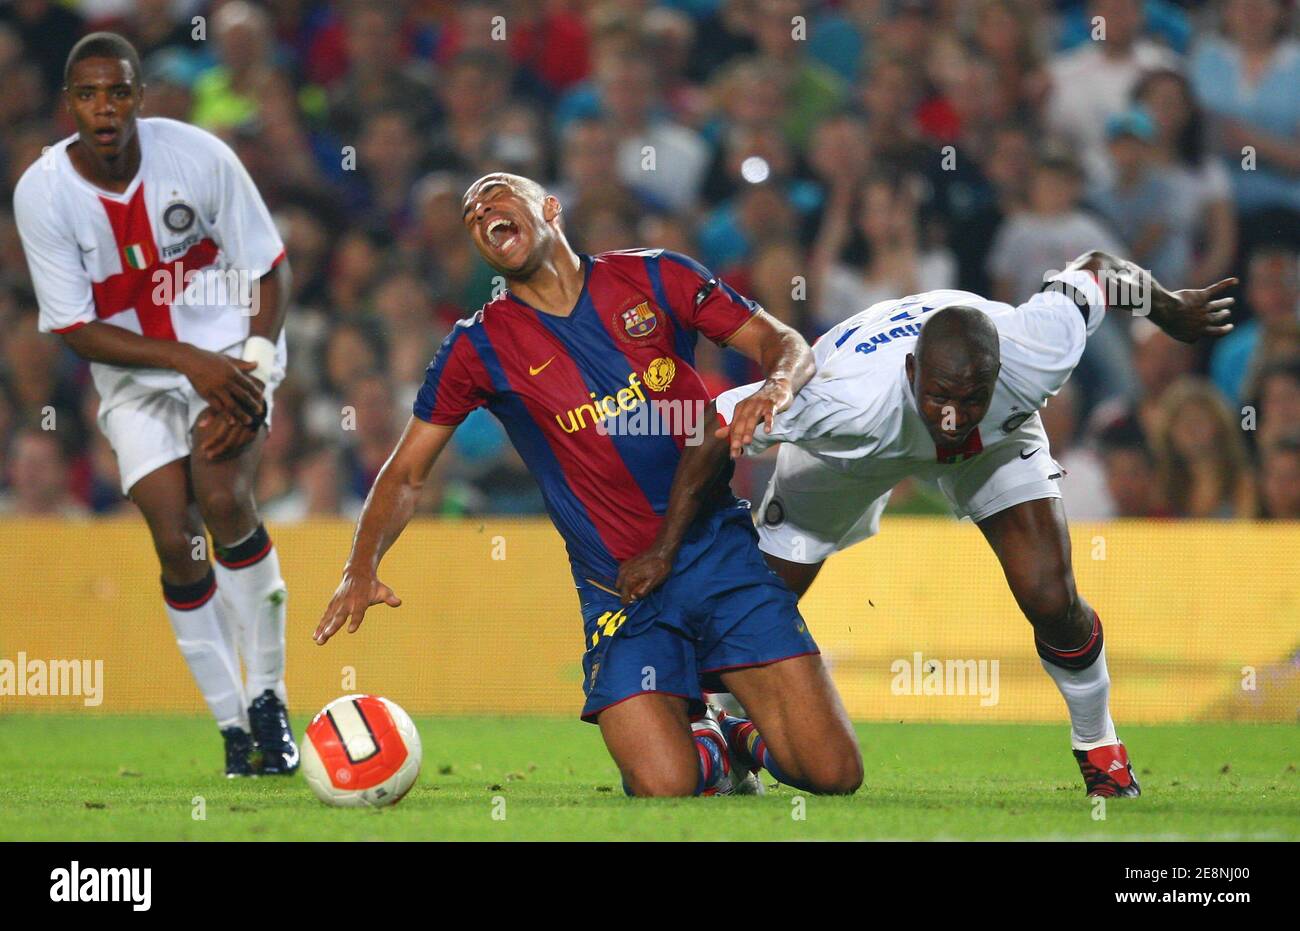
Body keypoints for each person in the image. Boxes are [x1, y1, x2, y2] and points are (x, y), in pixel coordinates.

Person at [313, 172, 863, 798]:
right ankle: (708, 744)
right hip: (618, 583)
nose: (481, 211)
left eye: (496, 196)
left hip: (718, 552)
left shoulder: (657, 277)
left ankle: (738, 736)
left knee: (833, 774)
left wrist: (777, 385)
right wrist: (362, 564)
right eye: (470, 214)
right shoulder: (477, 346)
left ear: (549, 208)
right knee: (664, 784)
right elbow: (407, 472)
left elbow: (781, 341)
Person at [619, 250, 1236, 797]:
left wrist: (1165, 305)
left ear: (998, 377)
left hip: (993, 448)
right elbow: (707, 434)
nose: (951, 417)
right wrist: (663, 548)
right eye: (940, 395)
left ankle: (1099, 745)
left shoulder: (1034, 347)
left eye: (971, 398)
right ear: (913, 372)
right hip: (853, 456)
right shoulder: (841, 399)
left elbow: (1098, 271)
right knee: (760, 599)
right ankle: (724, 728)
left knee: (1050, 594)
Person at [12, 33, 298, 777]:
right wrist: (182, 361)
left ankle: (269, 697)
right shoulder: (41, 192)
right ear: (67, 103)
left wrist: (253, 366)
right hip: (137, 375)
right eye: (87, 94)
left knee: (224, 495)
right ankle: (233, 727)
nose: (104, 108)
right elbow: (74, 327)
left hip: (233, 350)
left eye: (117, 92)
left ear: (139, 97)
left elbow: (271, 270)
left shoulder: (200, 157)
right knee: (176, 539)